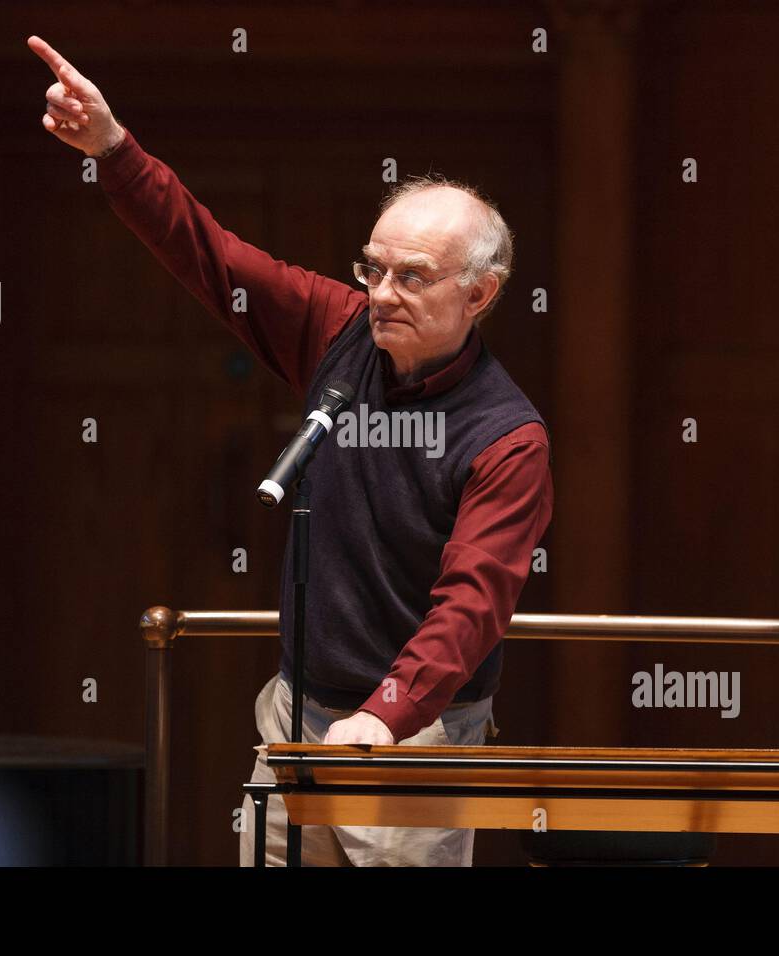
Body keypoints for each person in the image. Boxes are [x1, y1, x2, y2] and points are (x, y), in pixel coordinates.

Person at [28, 35, 554, 866]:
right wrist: (113, 149)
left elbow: (472, 605)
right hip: (297, 714)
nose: (381, 295)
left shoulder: (507, 436)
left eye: (412, 277)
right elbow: (210, 254)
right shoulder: (338, 329)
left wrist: (385, 713)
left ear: (479, 294)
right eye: (373, 269)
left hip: (416, 733)